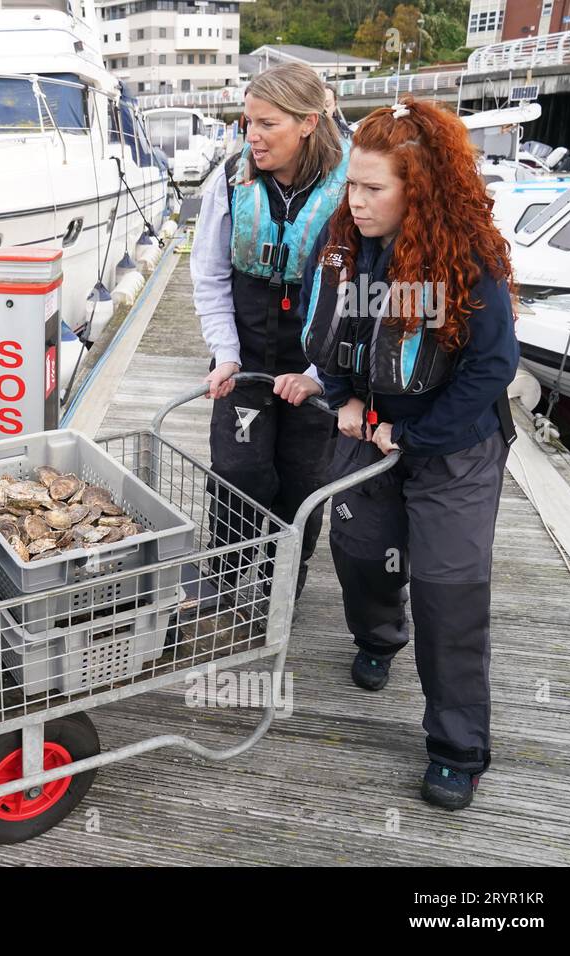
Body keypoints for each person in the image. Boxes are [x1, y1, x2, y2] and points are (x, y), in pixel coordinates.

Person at [284, 98, 520, 811]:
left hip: (455, 446)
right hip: (368, 429)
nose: (355, 201)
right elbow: (331, 328)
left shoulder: (469, 258)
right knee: (361, 551)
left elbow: (492, 367)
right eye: (351, 185)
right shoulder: (344, 241)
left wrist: (418, 435)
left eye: (373, 188)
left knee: (450, 592)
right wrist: (344, 396)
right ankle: (379, 635)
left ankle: (457, 747)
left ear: (417, 189)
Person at [190, 63, 349, 600]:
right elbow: (210, 275)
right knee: (238, 473)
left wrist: (319, 373)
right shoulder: (231, 180)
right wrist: (225, 355)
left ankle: (278, 590)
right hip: (246, 358)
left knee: (302, 483)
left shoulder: (350, 190)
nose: (252, 136)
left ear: (308, 123)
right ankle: (222, 582)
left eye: (267, 124)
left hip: (317, 365)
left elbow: (360, 293)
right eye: (248, 123)